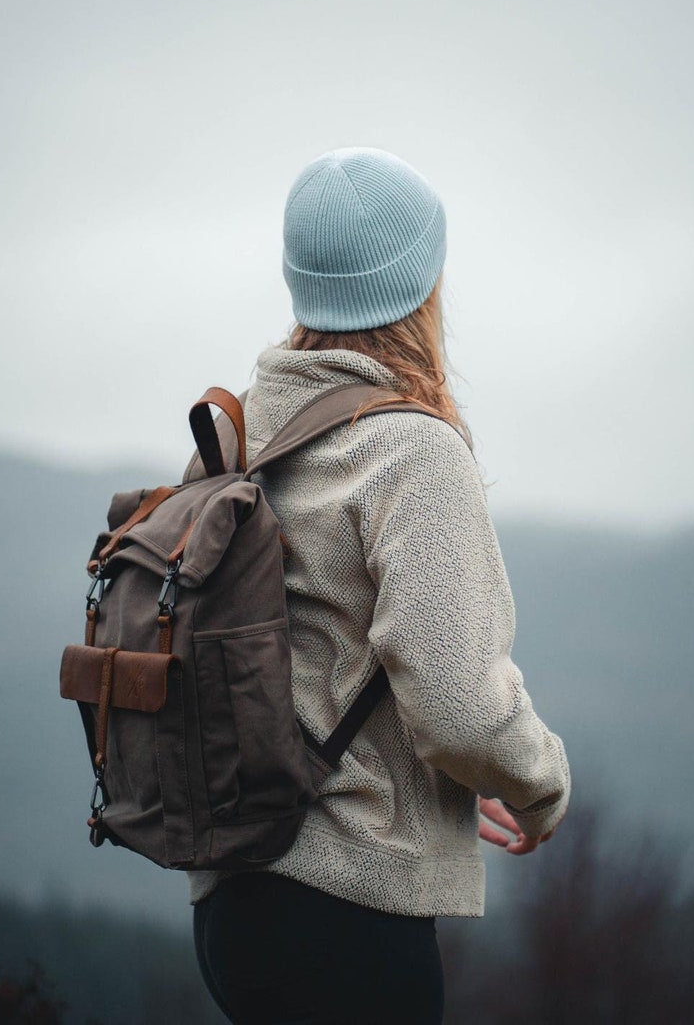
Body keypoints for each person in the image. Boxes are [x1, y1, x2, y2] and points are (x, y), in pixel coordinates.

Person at [190, 147, 570, 1024]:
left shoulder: (245, 435)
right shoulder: (410, 447)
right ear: (421, 284)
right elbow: (457, 704)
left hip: (231, 907)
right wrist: (541, 782)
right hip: (347, 913)